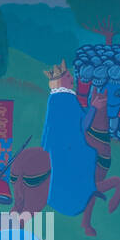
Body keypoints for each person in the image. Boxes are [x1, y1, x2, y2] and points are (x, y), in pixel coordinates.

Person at [41, 62, 97, 216]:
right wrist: (94, 108)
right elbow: (83, 125)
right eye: (67, 76)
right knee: (89, 155)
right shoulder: (66, 98)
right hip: (69, 147)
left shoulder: (54, 98)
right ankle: (80, 197)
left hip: (58, 147)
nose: (71, 78)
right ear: (61, 81)